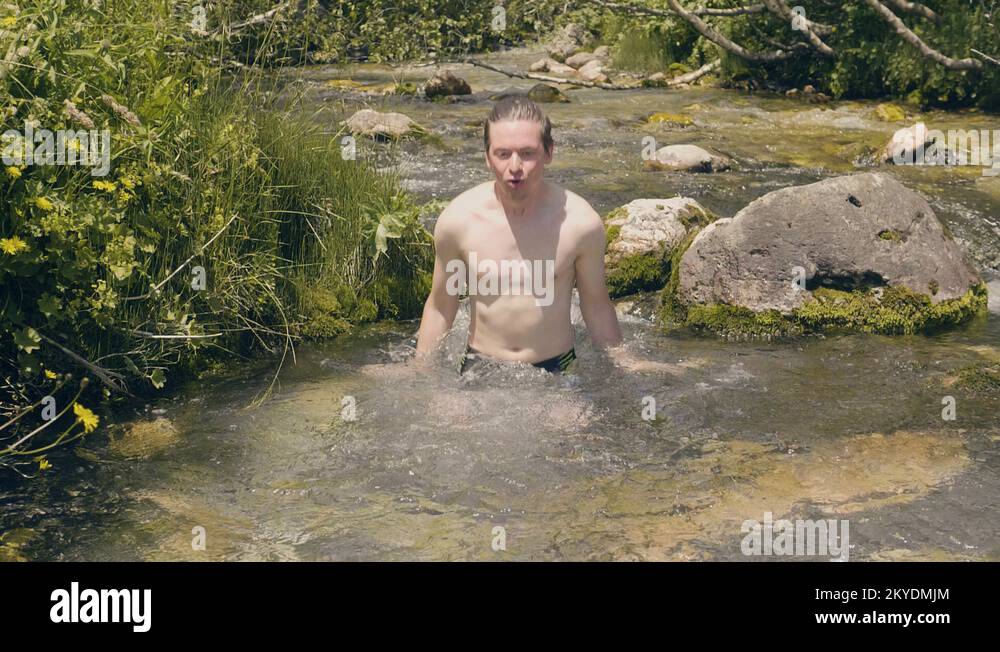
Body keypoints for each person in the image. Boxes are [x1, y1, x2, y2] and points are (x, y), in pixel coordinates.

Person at [413, 94, 623, 375]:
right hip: (480, 366)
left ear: (548, 152)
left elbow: (596, 306)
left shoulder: (579, 223)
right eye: (503, 154)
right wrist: (419, 370)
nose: (514, 167)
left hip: (557, 366)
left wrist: (622, 363)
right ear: (487, 157)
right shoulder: (458, 221)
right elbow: (441, 307)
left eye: (527, 153)